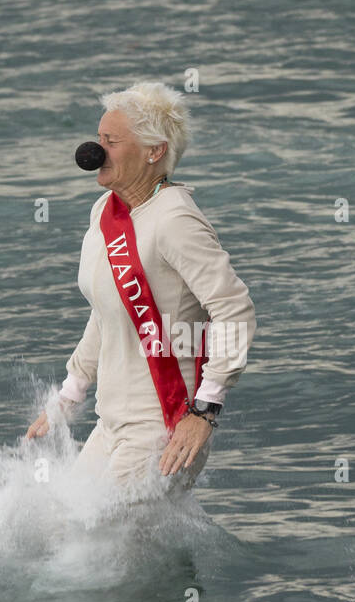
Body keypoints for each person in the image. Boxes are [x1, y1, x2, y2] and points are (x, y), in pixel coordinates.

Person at [26, 82, 256, 495]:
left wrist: (204, 411)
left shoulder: (174, 220)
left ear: (155, 151)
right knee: (64, 527)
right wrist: (70, 394)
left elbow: (234, 310)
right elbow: (108, 312)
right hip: (111, 420)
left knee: (91, 542)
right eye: (99, 139)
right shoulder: (105, 212)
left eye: (111, 142)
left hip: (164, 426)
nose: (95, 152)